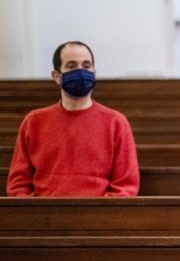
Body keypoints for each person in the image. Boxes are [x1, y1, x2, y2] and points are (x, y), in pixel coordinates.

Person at [7, 41, 139, 197]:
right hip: (44, 217)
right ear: (56, 76)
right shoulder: (33, 122)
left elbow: (126, 186)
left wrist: (99, 216)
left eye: (86, 65)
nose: (81, 71)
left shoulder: (116, 122)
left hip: (98, 217)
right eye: (71, 66)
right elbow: (18, 185)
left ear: (94, 72)